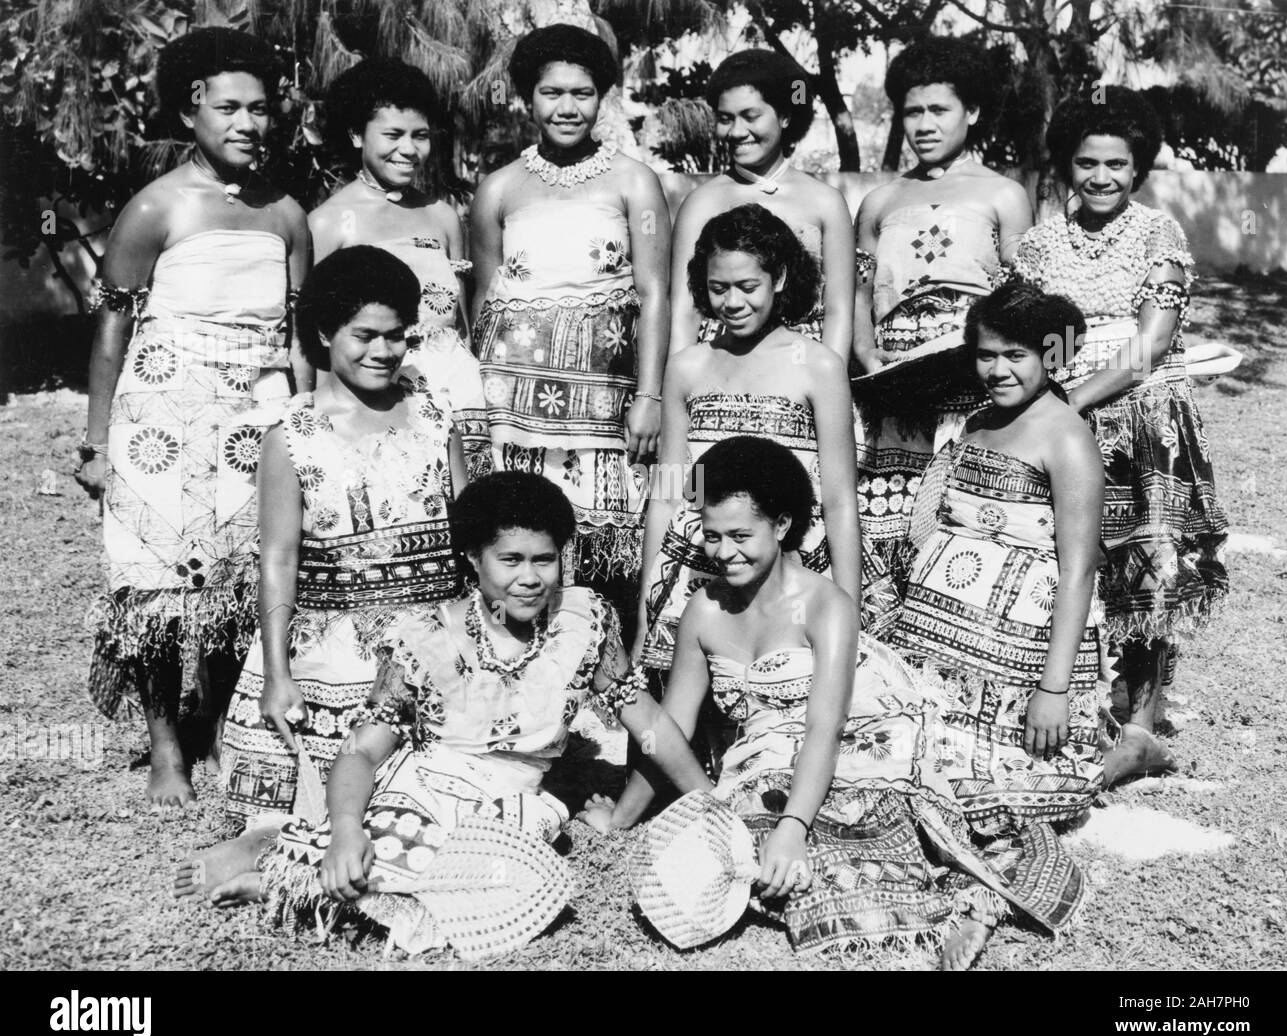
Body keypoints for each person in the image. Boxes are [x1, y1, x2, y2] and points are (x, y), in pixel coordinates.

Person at [584, 436, 1086, 968]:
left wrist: (795, 826)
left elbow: (827, 727)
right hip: (767, 758)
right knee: (753, 861)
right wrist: (623, 813)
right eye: (711, 536)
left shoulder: (826, 605)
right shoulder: (704, 611)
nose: (723, 552)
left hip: (862, 737)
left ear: (780, 526)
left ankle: (965, 911)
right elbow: (672, 730)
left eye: (740, 535)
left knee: (836, 836)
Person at [175, 472, 711, 957]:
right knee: (385, 844)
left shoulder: (585, 621)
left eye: (544, 560)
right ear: (475, 559)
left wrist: (707, 802)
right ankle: (297, 868)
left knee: (515, 886)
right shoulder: (423, 636)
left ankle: (305, 880)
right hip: (427, 787)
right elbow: (362, 748)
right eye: (511, 560)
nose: (530, 578)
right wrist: (343, 829)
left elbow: (652, 727)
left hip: (516, 802)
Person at [74, 28, 312, 808]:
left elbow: (303, 331)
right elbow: (112, 325)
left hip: (261, 409)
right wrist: (95, 442)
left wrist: (308, 419)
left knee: (254, 571)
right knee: (155, 584)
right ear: (192, 111)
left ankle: (239, 722)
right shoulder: (156, 207)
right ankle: (166, 746)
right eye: (229, 108)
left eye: (261, 109)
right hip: (163, 414)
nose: (248, 123)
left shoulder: (286, 213)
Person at [1012, 87, 1229, 785]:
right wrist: (1046, 403)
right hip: (1066, 418)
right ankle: (1077, 707)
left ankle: (1141, 728)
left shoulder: (1157, 235)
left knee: (1150, 568)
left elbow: (1148, 346)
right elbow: (1038, 337)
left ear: (1137, 169)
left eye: (1117, 163)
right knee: (1071, 560)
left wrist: (1068, 400)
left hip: (1143, 418)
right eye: (1086, 162)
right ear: (1066, 165)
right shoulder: (1040, 245)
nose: (1101, 177)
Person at [219, 246, 466, 827]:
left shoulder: (434, 416)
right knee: (305, 824)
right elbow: (278, 560)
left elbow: (467, 533)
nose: (383, 351)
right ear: (325, 332)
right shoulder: (291, 436)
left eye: (397, 335)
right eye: (364, 335)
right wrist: (278, 676)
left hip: (431, 645)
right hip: (332, 660)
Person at [637, 205, 860, 772]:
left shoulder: (818, 366)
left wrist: (848, 603)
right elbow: (666, 489)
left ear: (780, 279)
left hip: (791, 561)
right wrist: (646, 605)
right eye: (717, 289)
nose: (732, 303)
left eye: (747, 287)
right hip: (703, 559)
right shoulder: (687, 366)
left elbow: (837, 497)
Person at [892, 283, 1111, 831]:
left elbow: (1079, 568)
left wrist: (1053, 688)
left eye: (1017, 356)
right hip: (939, 635)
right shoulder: (977, 423)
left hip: (1022, 648)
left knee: (1004, 796)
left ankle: (1125, 754)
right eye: (986, 355)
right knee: (903, 772)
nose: (998, 370)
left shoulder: (1066, 437)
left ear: (1052, 356)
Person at [470, 24, 669, 620]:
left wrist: (652, 395)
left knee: (616, 550)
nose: (567, 108)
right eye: (551, 92)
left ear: (602, 97)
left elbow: (656, 294)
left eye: (581, 93)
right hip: (510, 405)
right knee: (521, 547)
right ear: (527, 98)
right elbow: (482, 301)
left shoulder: (635, 181)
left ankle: (609, 687)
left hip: (610, 399)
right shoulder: (497, 189)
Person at [853, 36, 1033, 621]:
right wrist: (866, 354)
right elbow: (858, 291)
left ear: (972, 112)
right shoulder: (881, 201)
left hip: (968, 381)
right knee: (889, 523)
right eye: (912, 111)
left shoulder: (1002, 194)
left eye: (939, 110)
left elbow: (1021, 296)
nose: (924, 125)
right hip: (894, 386)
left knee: (957, 521)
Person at [309, 58, 489, 478]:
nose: (409, 150)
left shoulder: (442, 216)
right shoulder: (329, 222)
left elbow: (460, 325)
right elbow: (316, 340)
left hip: (461, 402)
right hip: (375, 402)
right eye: (393, 134)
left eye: (420, 136)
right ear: (356, 134)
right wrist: (322, 419)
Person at [668, 49, 855, 360]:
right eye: (726, 119)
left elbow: (838, 310)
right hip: (720, 365)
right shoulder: (701, 203)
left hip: (801, 366)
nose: (737, 132)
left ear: (784, 116)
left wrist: (828, 382)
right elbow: (685, 313)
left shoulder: (825, 202)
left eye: (751, 116)